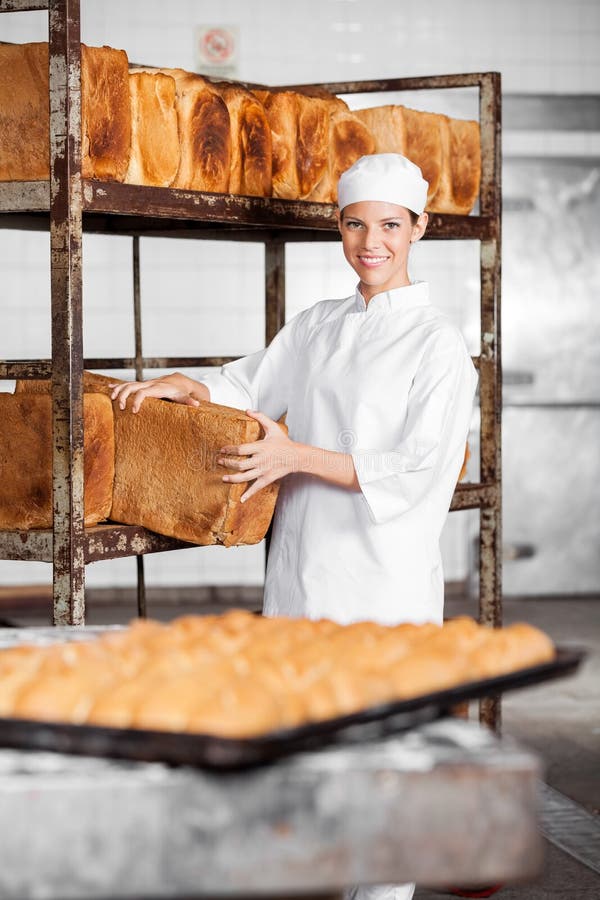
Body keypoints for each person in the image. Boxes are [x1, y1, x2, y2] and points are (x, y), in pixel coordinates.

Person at [111, 153, 478, 900]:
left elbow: (418, 469)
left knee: (374, 756)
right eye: (354, 224)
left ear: (419, 230)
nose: (369, 242)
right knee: (307, 753)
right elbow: (250, 383)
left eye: (388, 225)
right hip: (301, 568)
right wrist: (194, 383)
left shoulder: (439, 344)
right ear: (339, 228)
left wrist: (293, 454)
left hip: (381, 577)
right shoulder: (319, 322)